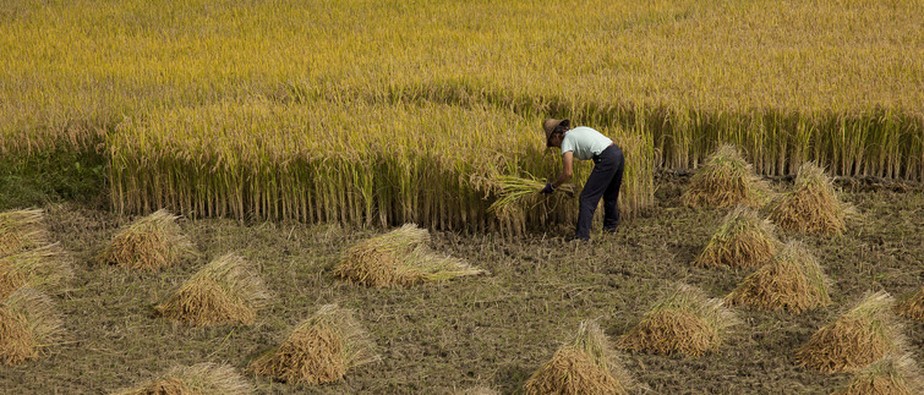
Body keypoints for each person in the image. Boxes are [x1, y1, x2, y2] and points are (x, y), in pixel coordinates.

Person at [541, 118, 625, 241]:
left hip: (606, 159)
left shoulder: (566, 141)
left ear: (557, 136)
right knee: (610, 195)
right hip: (617, 154)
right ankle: (611, 229)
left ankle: (582, 237)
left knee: (586, 198)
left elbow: (568, 173)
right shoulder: (578, 130)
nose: (555, 146)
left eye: (553, 142)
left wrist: (553, 186)